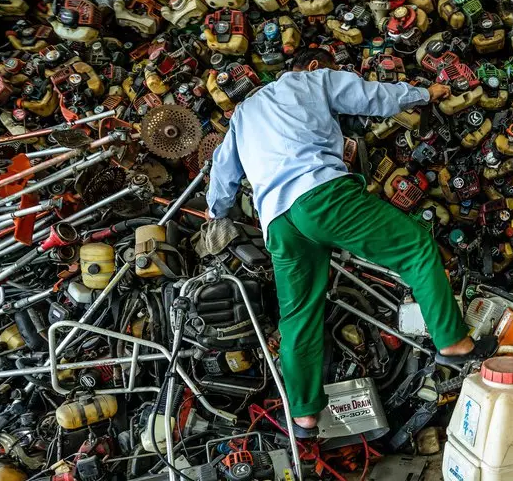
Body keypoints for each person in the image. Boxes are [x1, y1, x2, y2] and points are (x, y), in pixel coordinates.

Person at [205, 48, 479, 436]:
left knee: (299, 317)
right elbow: (372, 96)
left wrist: (215, 214)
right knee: (416, 247)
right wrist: (426, 94)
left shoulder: (244, 114)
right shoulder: (313, 80)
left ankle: (303, 415)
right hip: (321, 196)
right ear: (315, 65)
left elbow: (223, 173)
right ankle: (451, 341)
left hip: (279, 224)